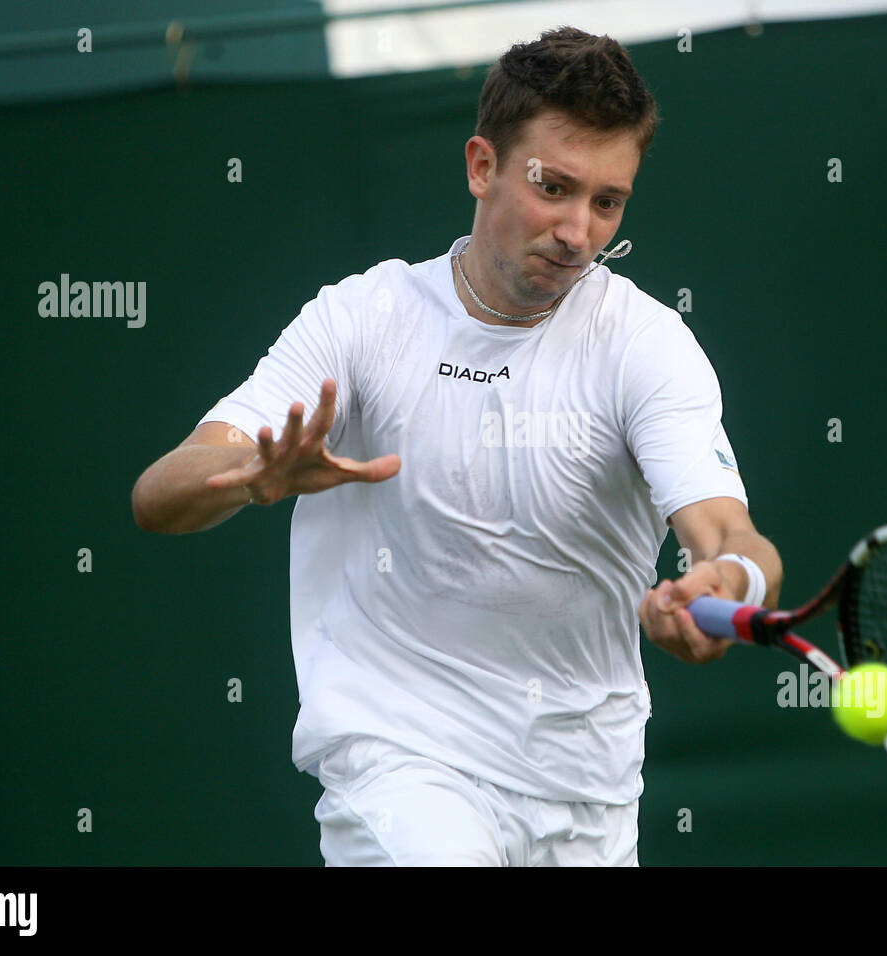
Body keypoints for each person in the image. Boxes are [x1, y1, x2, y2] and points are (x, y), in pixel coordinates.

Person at [131, 25, 782, 866]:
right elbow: (160, 493)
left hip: (587, 792)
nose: (578, 230)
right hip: (400, 761)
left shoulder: (647, 344)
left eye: (608, 202)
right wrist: (252, 474)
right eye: (554, 187)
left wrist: (724, 583)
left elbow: (730, 534)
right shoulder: (363, 319)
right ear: (482, 166)